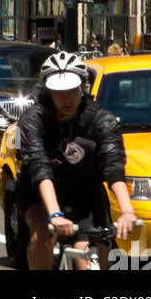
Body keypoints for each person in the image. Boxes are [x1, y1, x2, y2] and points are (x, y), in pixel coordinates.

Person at [15, 50, 137, 270]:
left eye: (72, 90)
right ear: (48, 91)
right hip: (39, 191)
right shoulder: (33, 119)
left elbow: (113, 164)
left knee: (90, 251)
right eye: (58, 92)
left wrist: (127, 210)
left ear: (83, 87)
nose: (66, 99)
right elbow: (39, 166)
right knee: (43, 235)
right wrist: (55, 215)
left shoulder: (101, 119)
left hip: (84, 188)